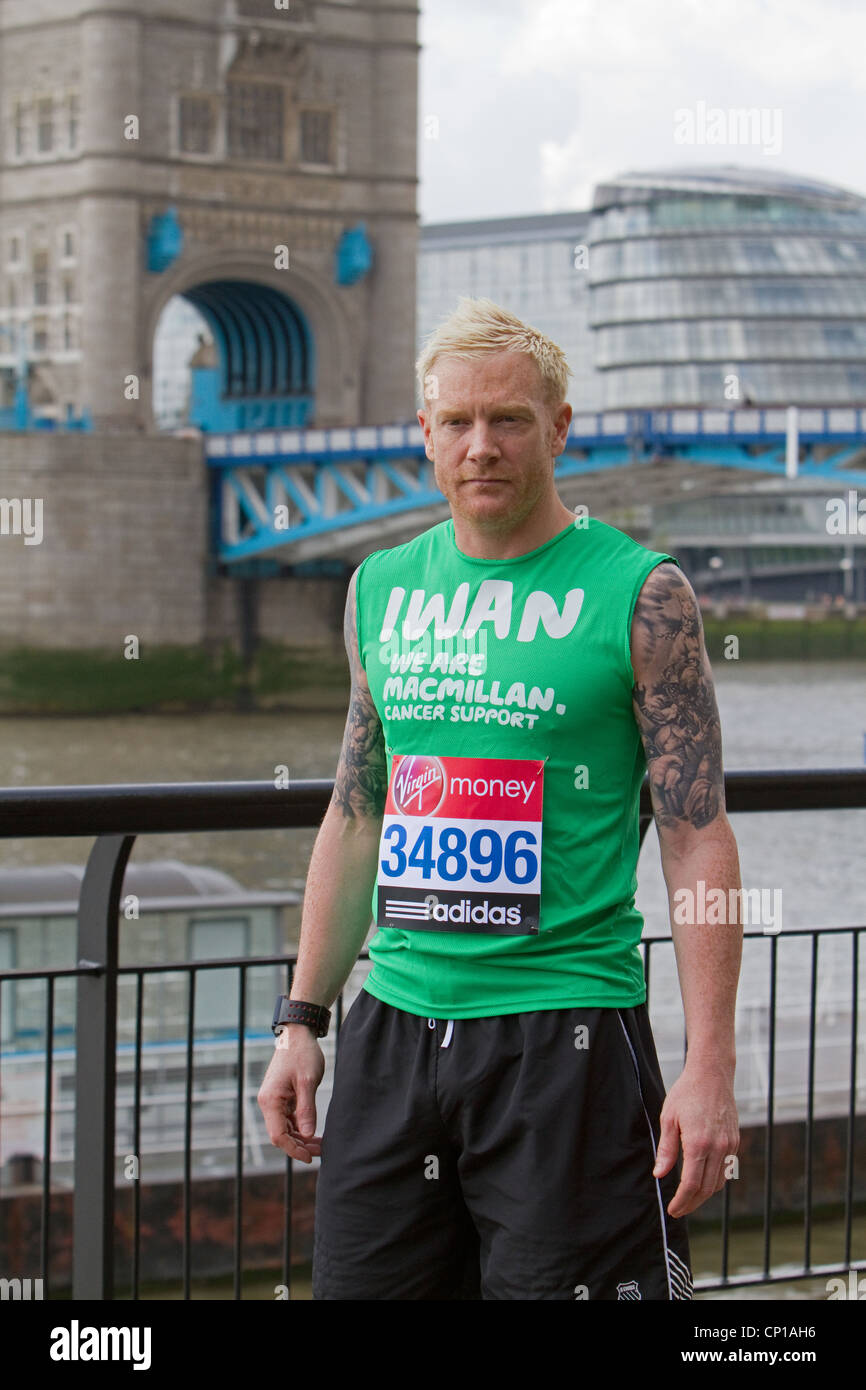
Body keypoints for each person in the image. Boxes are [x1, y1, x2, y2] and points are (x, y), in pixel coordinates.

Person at [257, 297, 743, 1301]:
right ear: (426, 434)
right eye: (457, 422)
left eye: (510, 419)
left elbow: (694, 836)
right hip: (392, 1032)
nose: (482, 446)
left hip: (561, 1037)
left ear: (558, 428)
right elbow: (356, 813)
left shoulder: (640, 594)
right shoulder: (378, 587)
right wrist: (300, 1018)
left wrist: (708, 1065)